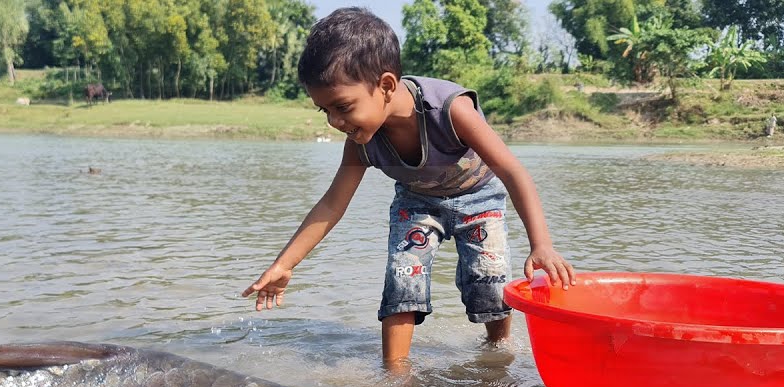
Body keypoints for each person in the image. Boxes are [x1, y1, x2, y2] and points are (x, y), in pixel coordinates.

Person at [242, 7, 575, 368]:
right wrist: (284, 264)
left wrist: (541, 245)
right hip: (416, 203)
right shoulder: (361, 141)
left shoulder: (450, 110)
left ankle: (497, 355)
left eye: (343, 107)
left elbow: (512, 171)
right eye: (325, 112)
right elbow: (332, 205)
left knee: (488, 282)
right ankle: (395, 374)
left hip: (478, 198)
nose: (336, 122)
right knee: (404, 276)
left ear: (385, 85)